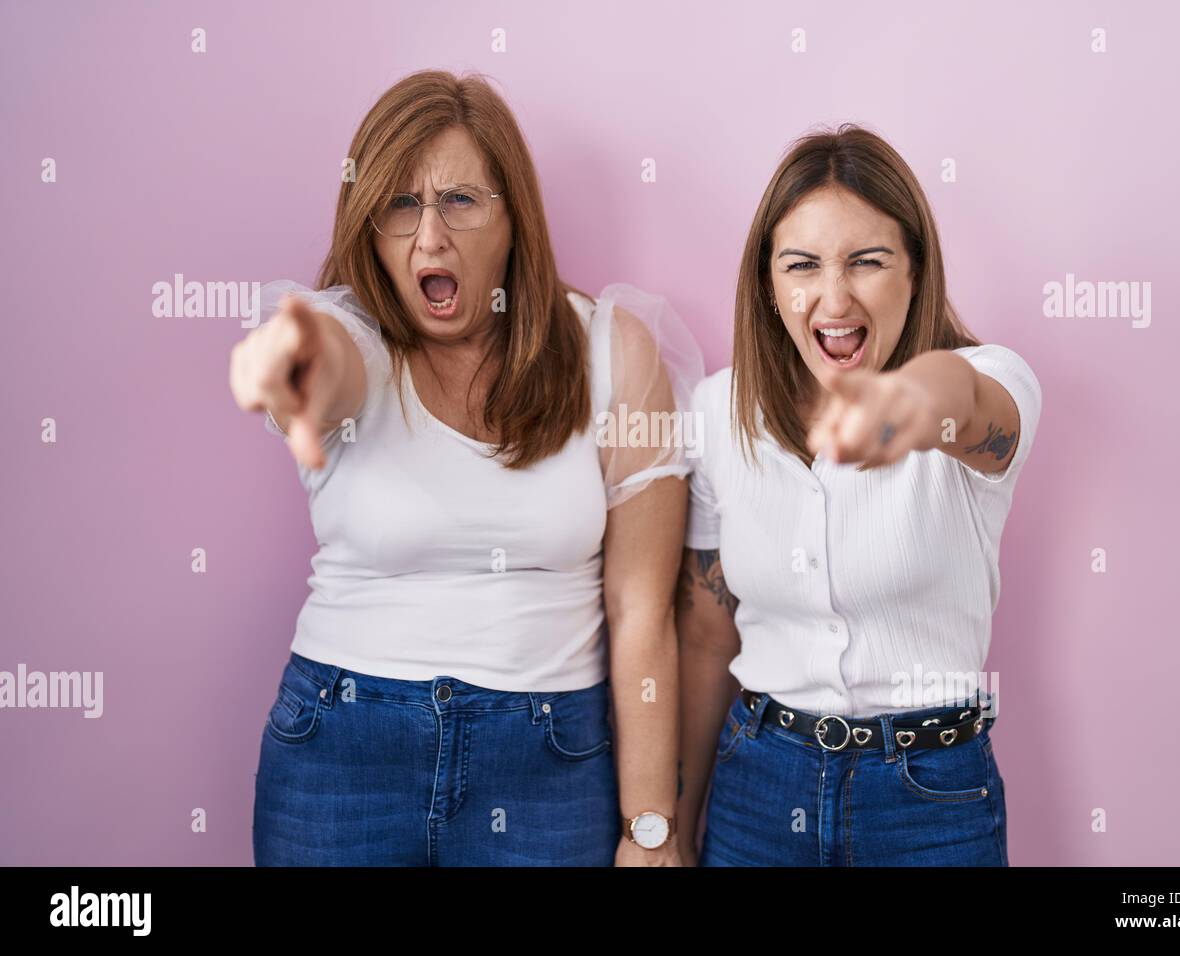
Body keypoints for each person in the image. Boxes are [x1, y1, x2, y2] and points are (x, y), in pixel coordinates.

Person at [229, 70, 701, 866]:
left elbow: (642, 610)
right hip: (341, 748)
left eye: (460, 201)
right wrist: (287, 359)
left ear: (514, 216)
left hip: (547, 763)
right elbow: (322, 360)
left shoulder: (611, 351)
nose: (430, 239)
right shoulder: (353, 340)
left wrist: (650, 830)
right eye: (401, 206)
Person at [675, 124, 1042, 866]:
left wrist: (906, 401)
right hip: (759, 786)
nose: (832, 297)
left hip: (930, 798)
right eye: (802, 264)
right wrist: (674, 826)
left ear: (914, 269)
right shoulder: (716, 414)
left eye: (868, 262)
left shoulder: (993, 378)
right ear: (769, 285)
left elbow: (966, 401)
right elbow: (708, 636)